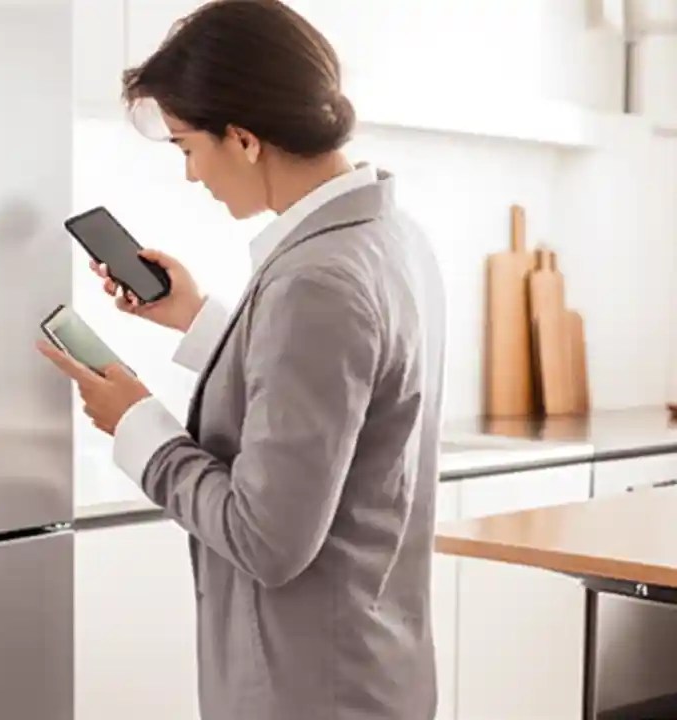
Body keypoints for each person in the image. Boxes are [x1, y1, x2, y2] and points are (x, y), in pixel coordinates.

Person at [38, 1, 447, 718]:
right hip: (369, 669)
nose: (192, 174)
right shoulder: (391, 237)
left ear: (244, 138)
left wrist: (140, 427)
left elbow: (264, 539)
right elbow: (333, 388)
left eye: (187, 147)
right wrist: (203, 323)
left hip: (310, 691)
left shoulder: (316, 280)